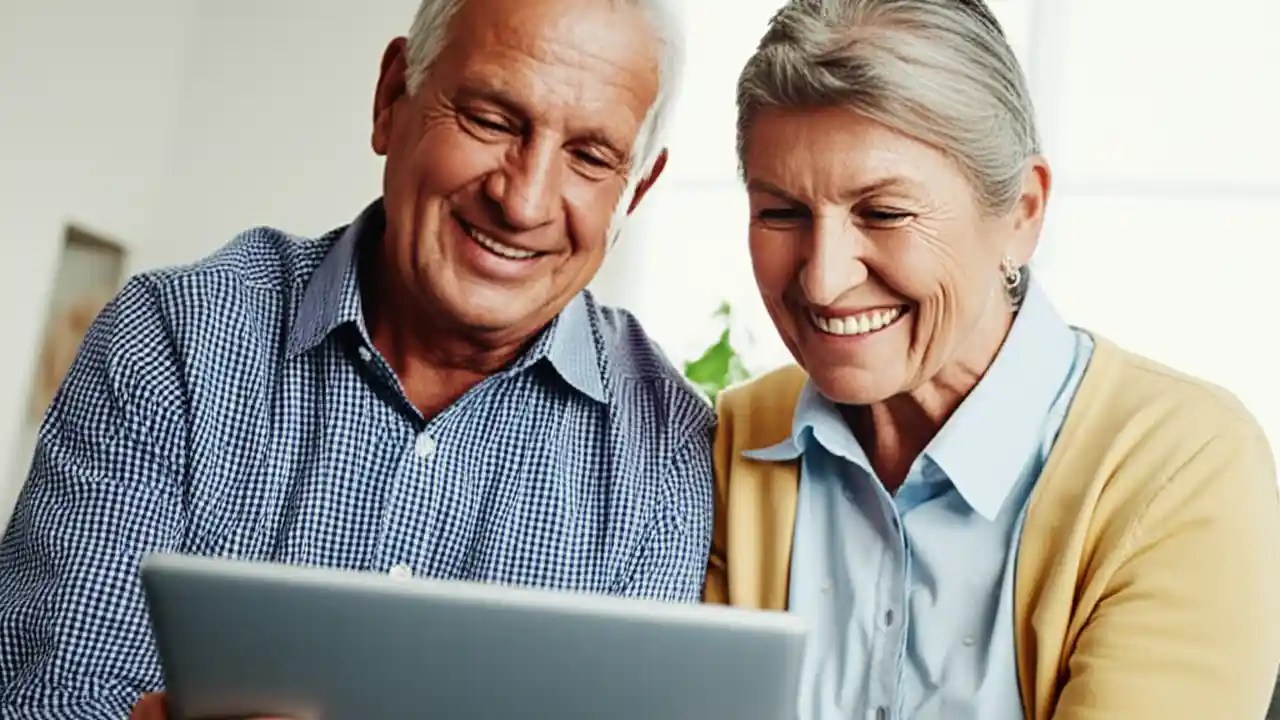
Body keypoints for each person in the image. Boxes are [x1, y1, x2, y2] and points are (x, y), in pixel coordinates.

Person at [0, 0, 713, 717]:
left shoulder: (666, 452)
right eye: (491, 120)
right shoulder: (175, 337)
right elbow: (51, 700)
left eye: (590, 157)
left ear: (637, 191)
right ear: (390, 99)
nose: (523, 201)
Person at [703, 1, 1280, 718]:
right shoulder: (734, 437)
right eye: (781, 212)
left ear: (1021, 212)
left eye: (884, 214)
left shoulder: (1181, 465)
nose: (822, 279)